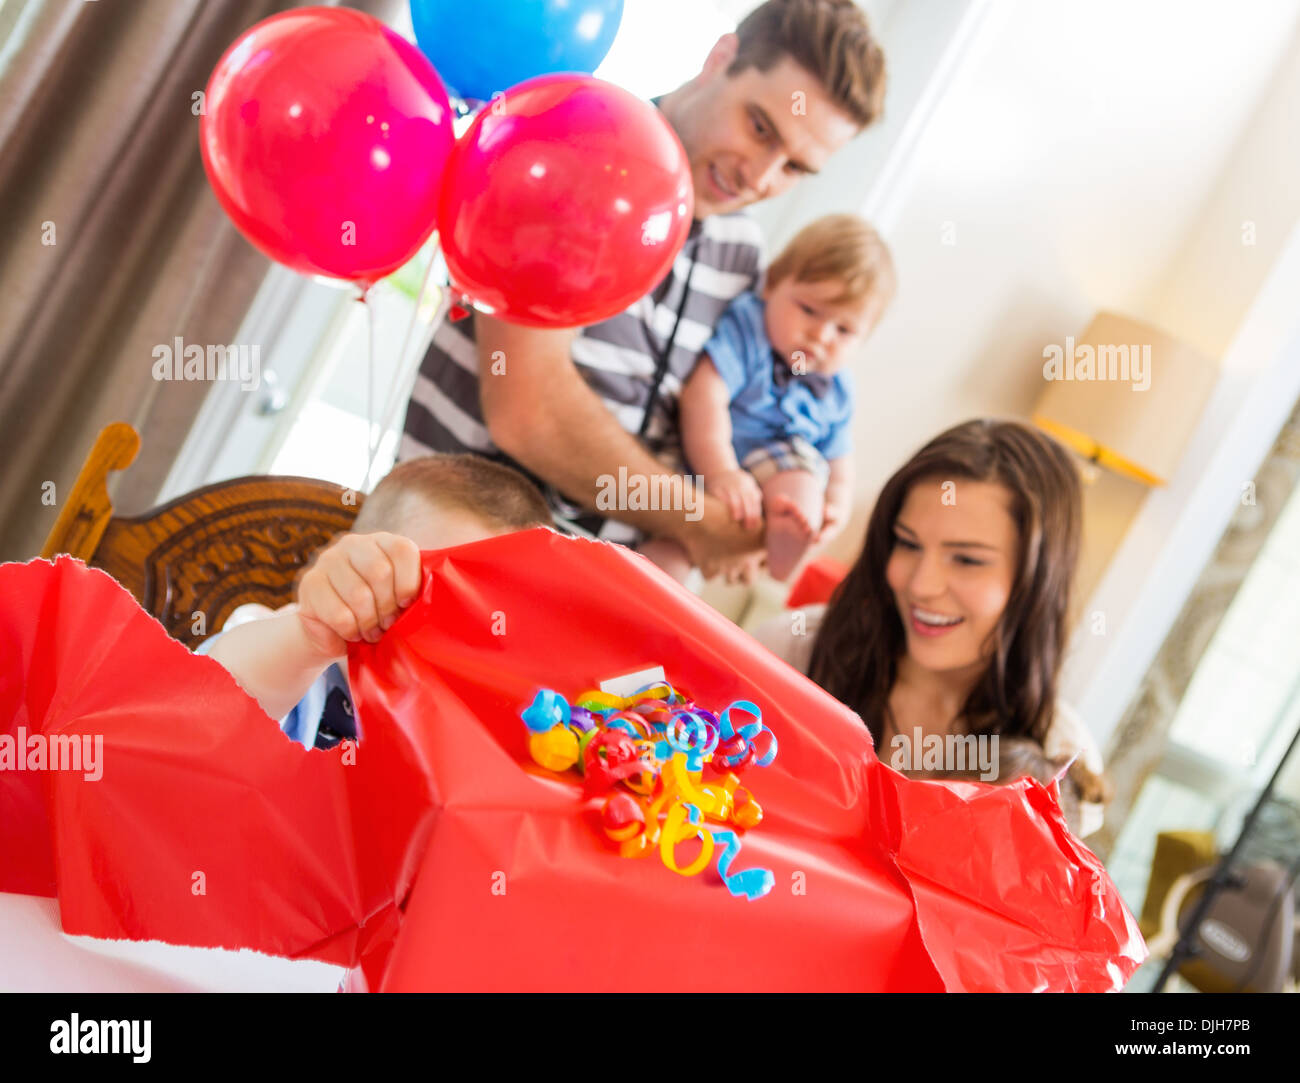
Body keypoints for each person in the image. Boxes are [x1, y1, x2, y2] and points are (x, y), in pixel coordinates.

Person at [400, 0, 887, 581]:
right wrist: (703, 523)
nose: (759, 176)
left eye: (794, 168)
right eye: (760, 128)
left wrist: (805, 487)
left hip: (593, 604)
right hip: (447, 561)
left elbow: (735, 407)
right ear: (720, 57)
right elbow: (530, 412)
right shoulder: (576, 146)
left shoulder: (741, 250)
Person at [751, 419, 1112, 836]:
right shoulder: (790, 650)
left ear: (1036, 583)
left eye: (967, 560)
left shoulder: (1061, 760)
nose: (920, 585)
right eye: (908, 543)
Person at [199, 454, 552, 745]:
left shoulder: (498, 723)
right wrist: (311, 635)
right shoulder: (292, 656)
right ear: (345, 565)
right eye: (415, 591)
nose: (445, 635)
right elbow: (212, 704)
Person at [640, 213, 895, 583]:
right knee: (668, 555)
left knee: (805, 479)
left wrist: (836, 505)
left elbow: (839, 455)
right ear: (771, 284)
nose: (820, 335)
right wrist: (722, 471)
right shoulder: (749, 328)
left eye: (844, 329)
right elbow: (704, 397)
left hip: (773, 462)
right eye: (809, 310)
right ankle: (645, 585)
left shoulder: (837, 387)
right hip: (703, 450)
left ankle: (784, 538)